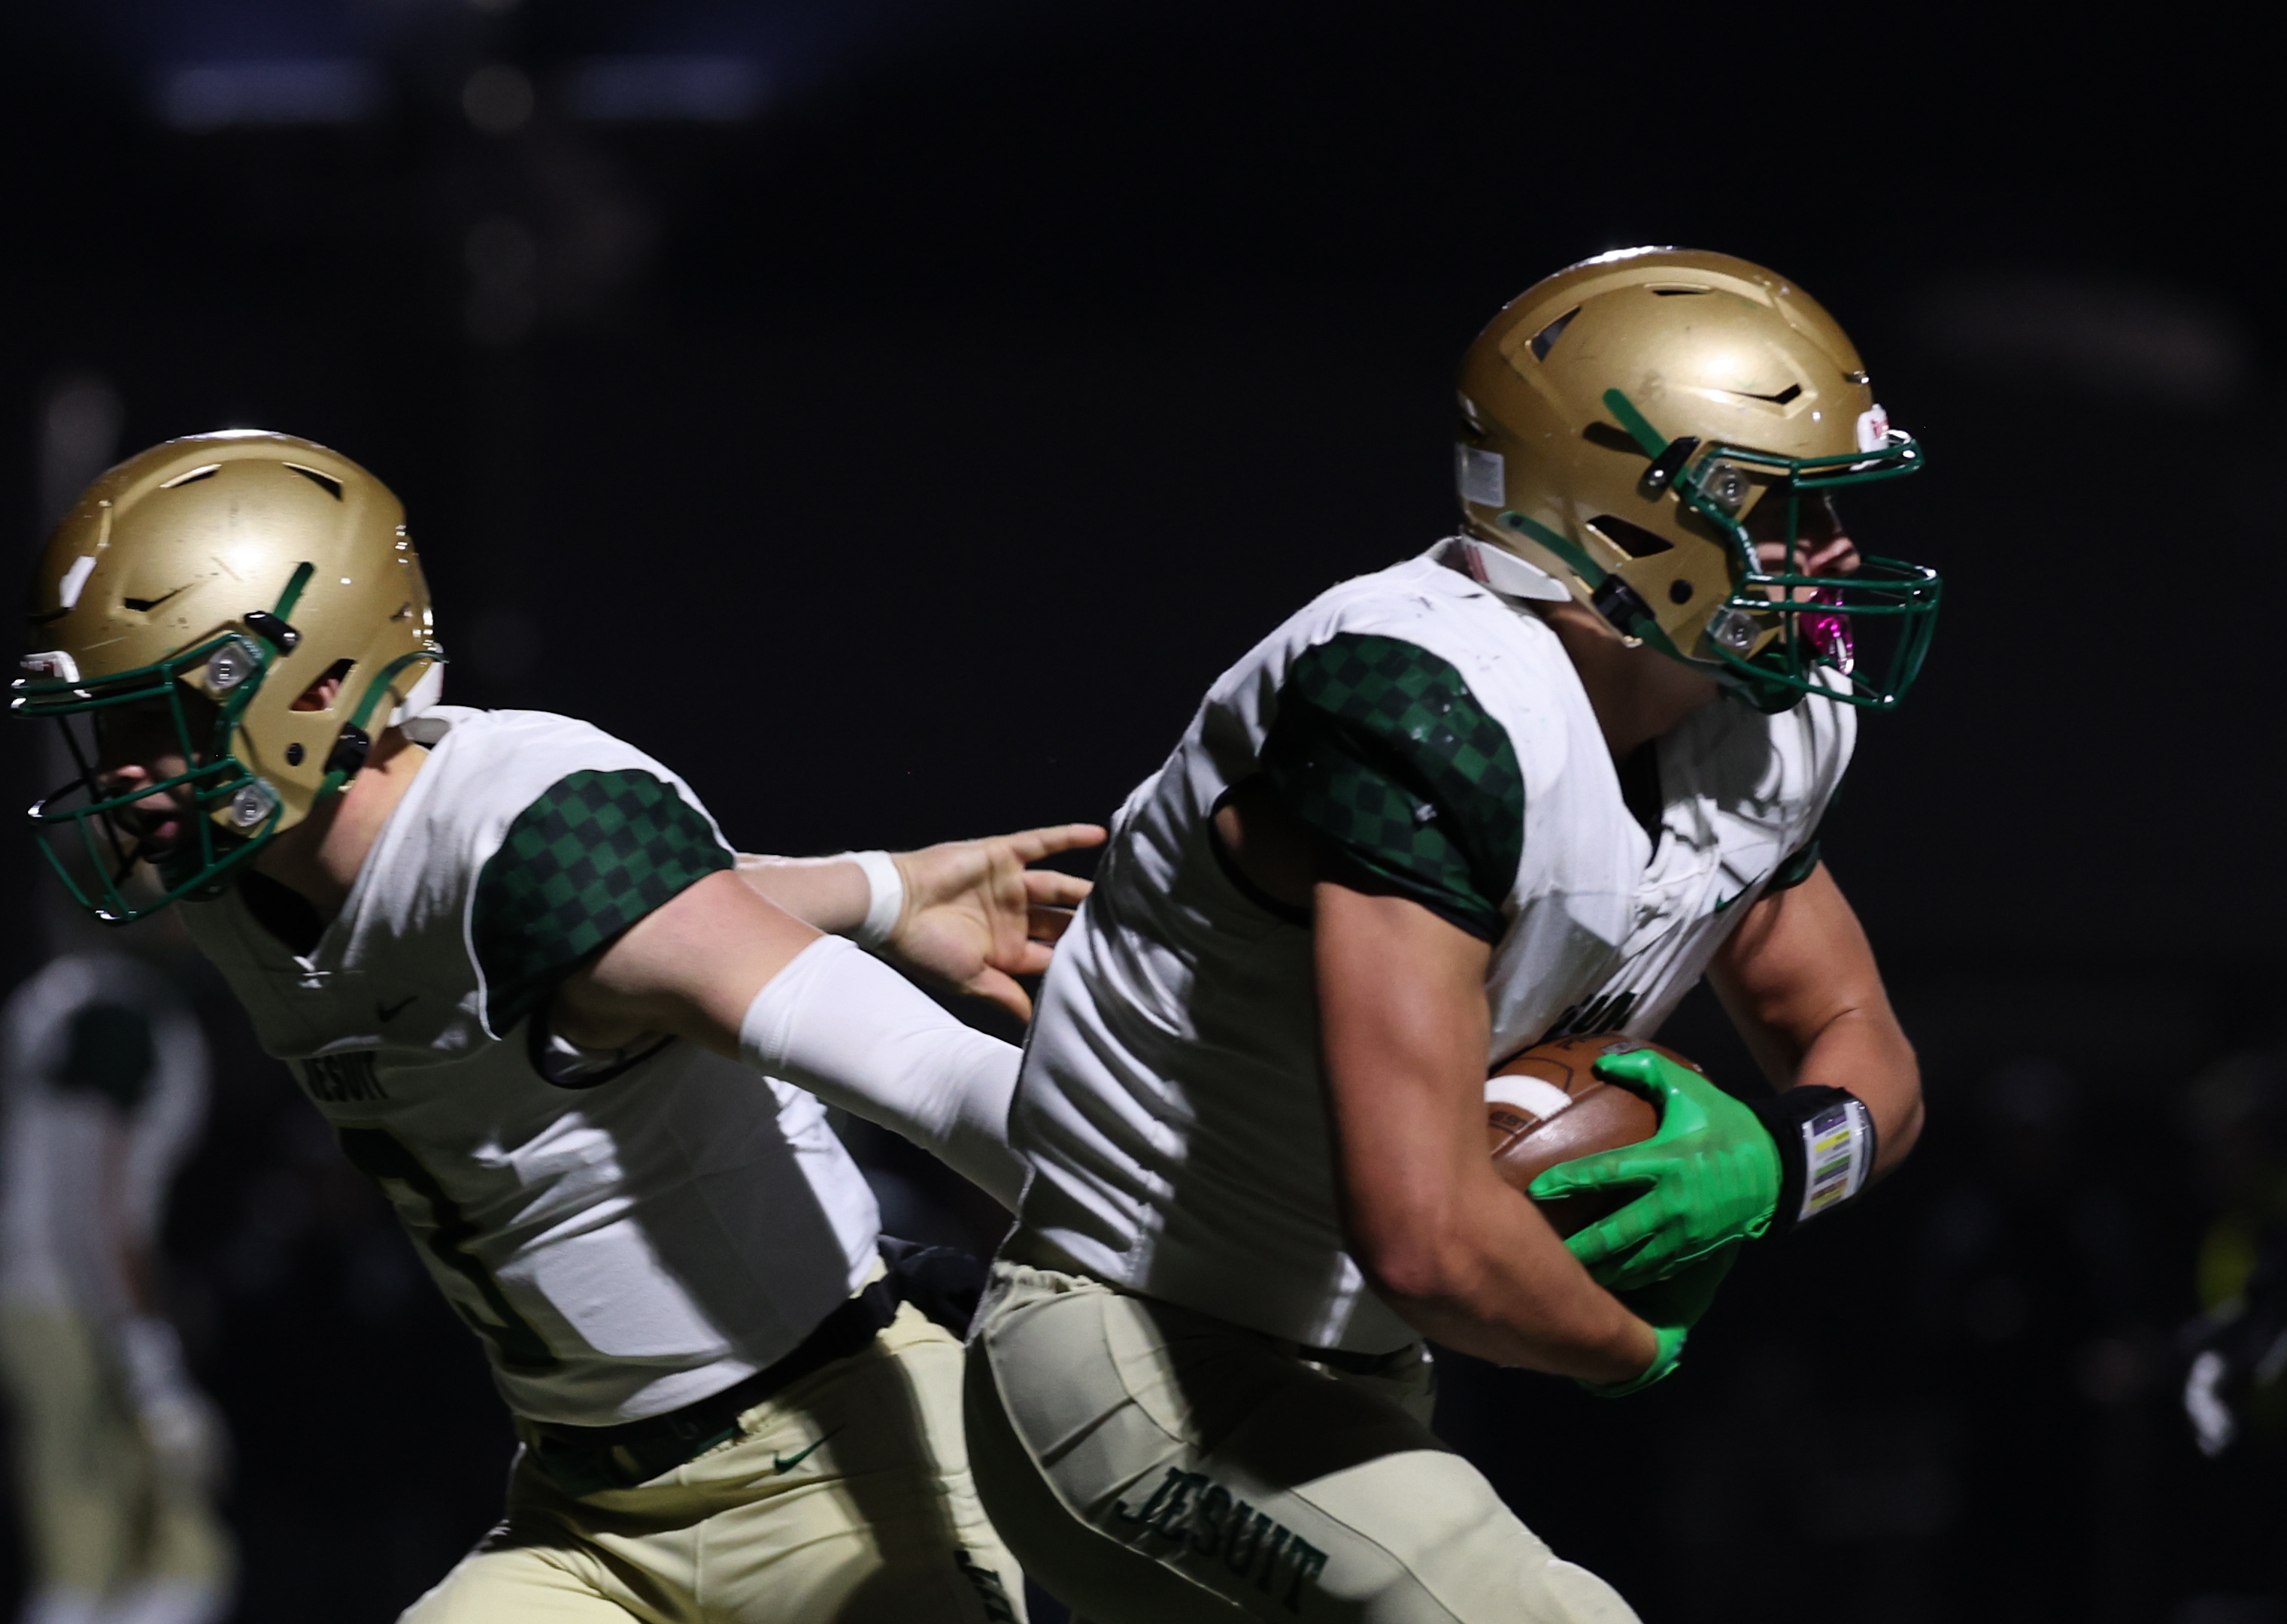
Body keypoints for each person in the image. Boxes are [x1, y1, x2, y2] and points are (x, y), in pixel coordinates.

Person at [964, 247, 1941, 1621]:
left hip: (1358, 1382)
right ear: (1615, 519)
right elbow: (1423, 1235)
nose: (1835, 554)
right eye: (1786, 510)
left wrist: (1782, 1168)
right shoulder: (1424, 702)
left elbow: (1868, 1061)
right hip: (1146, 1352)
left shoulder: (1747, 718)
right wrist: (1628, 1348)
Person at [13, 429, 1103, 1622]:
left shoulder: (525, 830)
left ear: (317, 688)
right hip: (583, 1516)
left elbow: (938, 1080)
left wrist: (1254, 1280)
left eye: (151, 719)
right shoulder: (252, 875)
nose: (121, 777)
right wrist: (882, 891)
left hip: (832, 1468)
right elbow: (607, 933)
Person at [0, 953, 234, 1624]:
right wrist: (150, 1365)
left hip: (54, 1294)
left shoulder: (89, 994)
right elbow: (95, 1208)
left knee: (154, 1555)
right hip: (69, 1302)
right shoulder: (121, 1016)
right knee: (128, 1559)